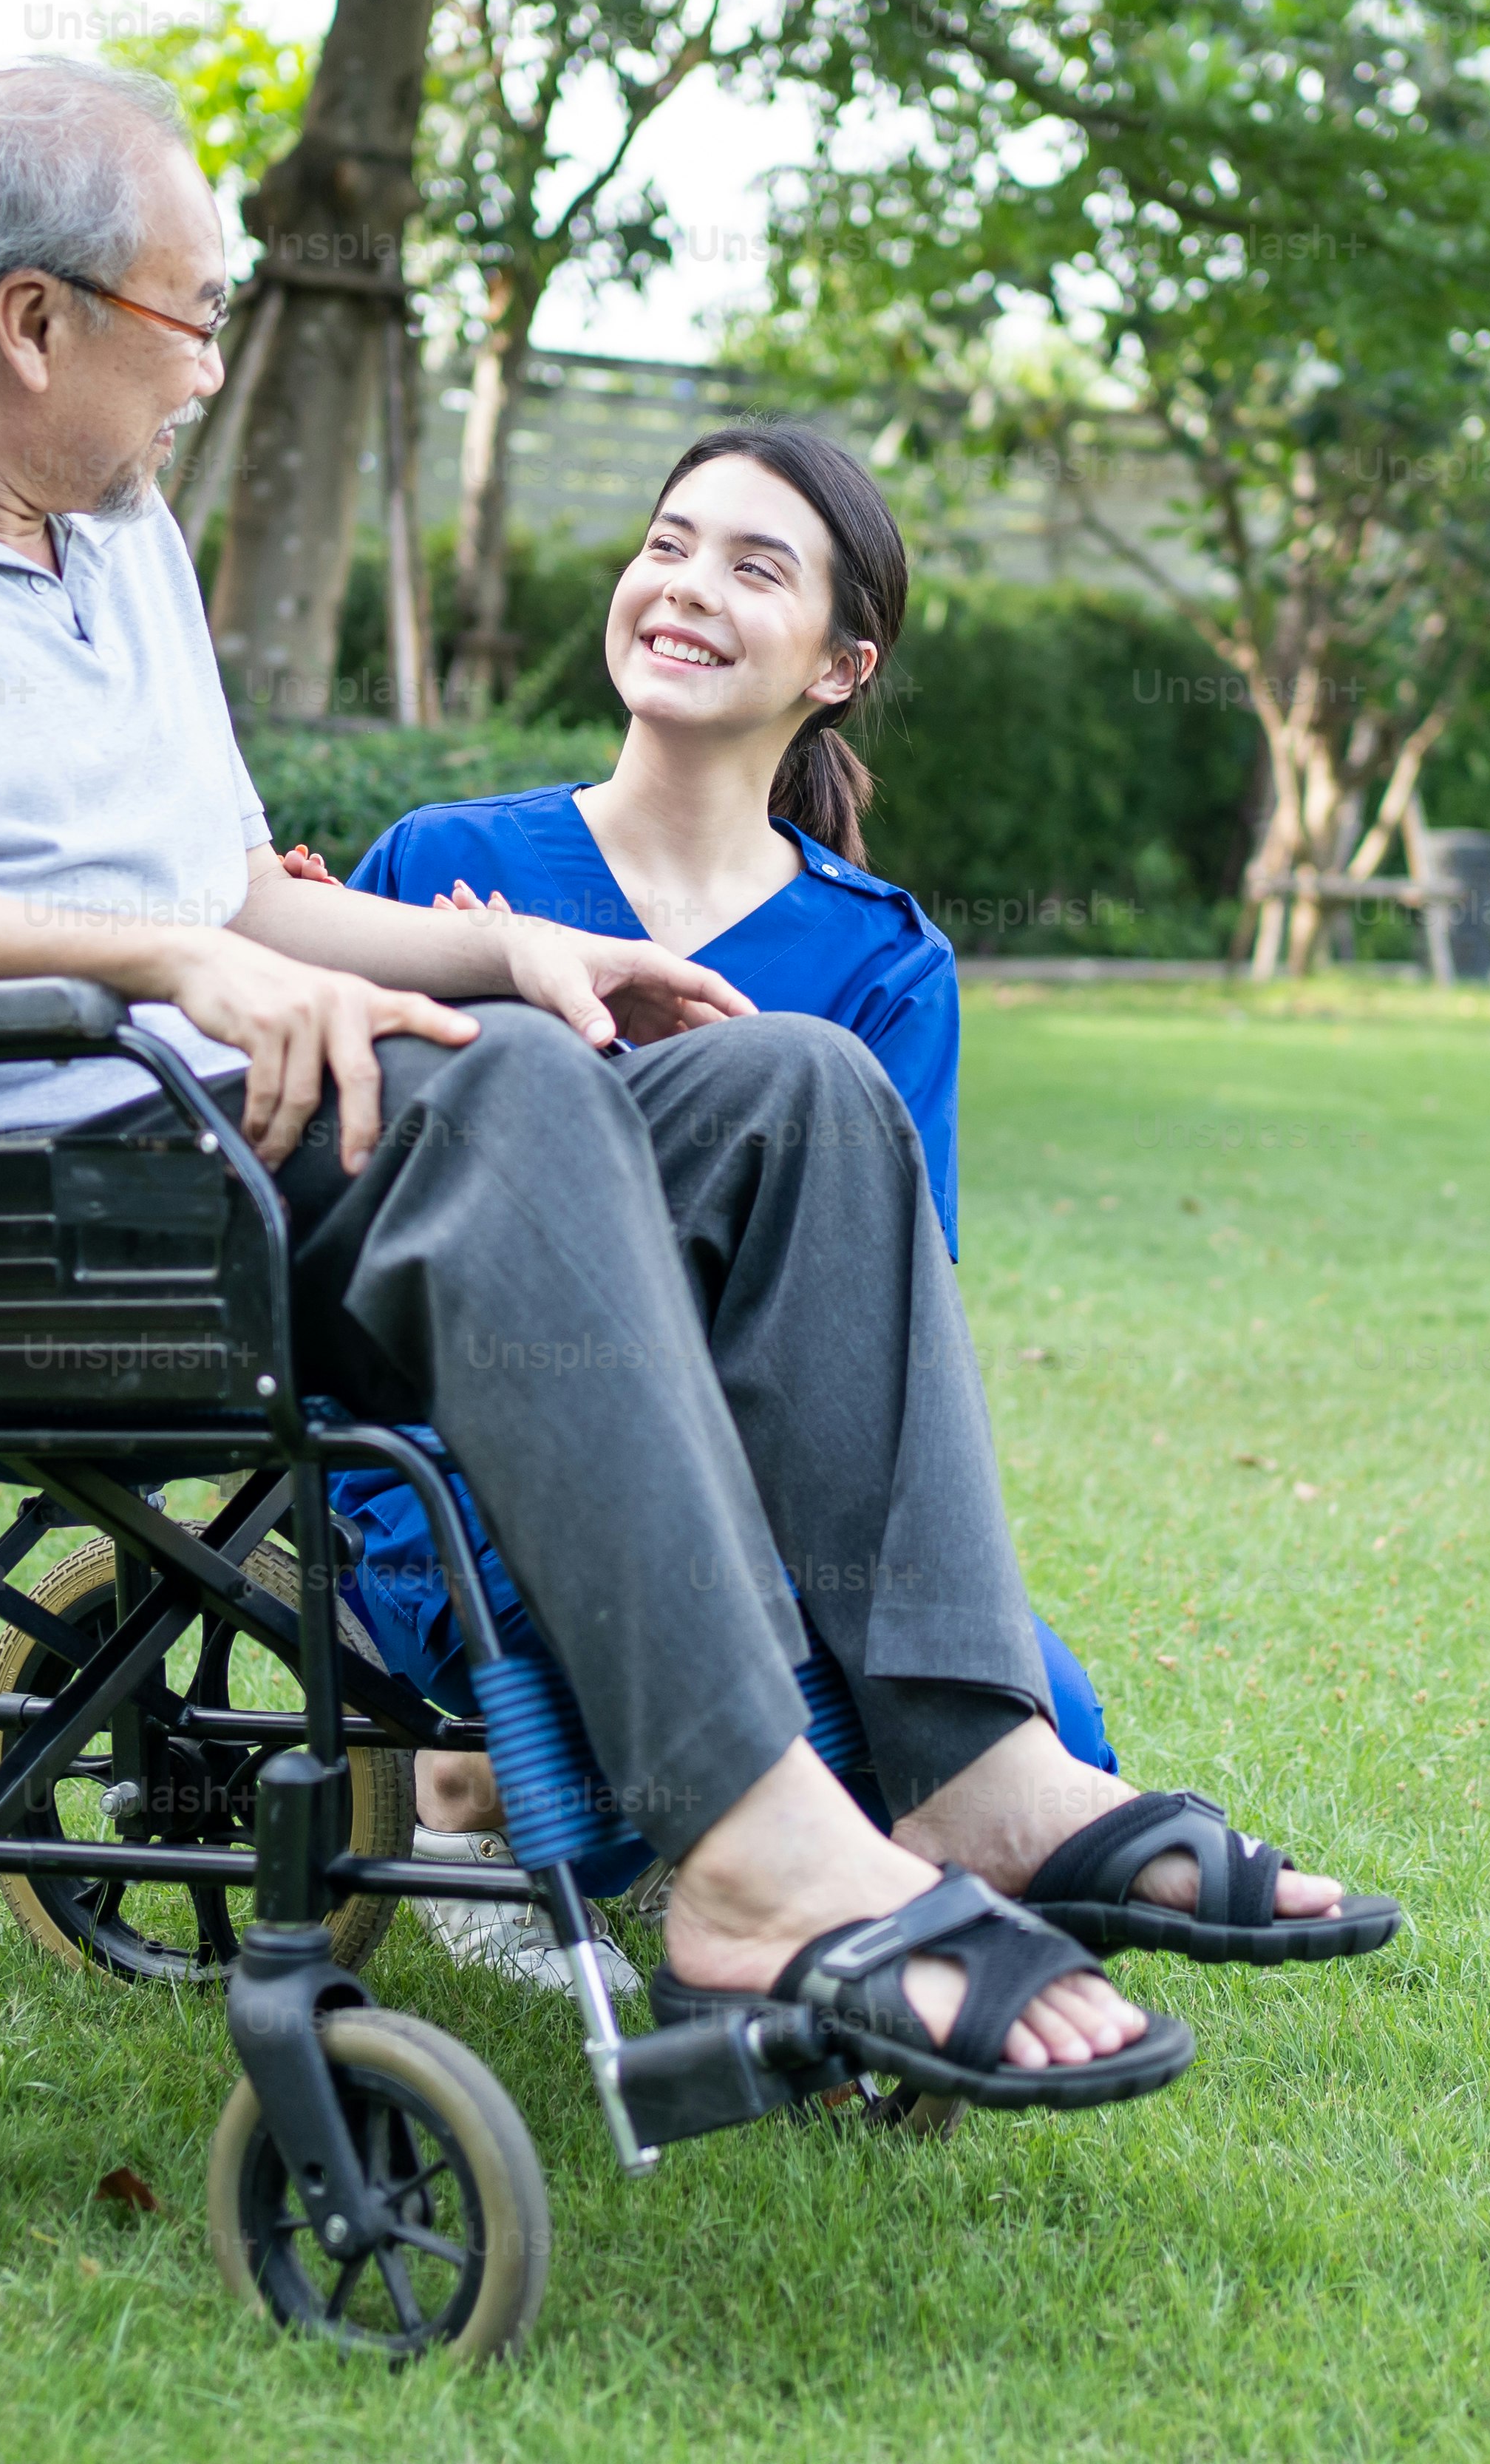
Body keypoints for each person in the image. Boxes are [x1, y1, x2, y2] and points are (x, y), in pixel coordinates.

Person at [0, 60, 1390, 2108]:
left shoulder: (114, 550)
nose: (208, 374)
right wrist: (175, 960)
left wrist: (512, 952)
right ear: (37, 319)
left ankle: (979, 1767)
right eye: (196, 322)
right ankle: (753, 1858)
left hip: (218, 1155)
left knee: (794, 1089)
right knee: (511, 1095)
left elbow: (232, 897)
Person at [316, 428, 1124, 1986]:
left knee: (1051, 1725)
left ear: (839, 662)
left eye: (757, 568)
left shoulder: (881, 958)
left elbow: (858, 1336)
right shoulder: (444, 866)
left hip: (758, 1488)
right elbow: (352, 1213)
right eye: (669, 542)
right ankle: (468, 1798)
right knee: (665, 1708)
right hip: (470, 1462)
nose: (686, 587)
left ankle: (760, 1846)